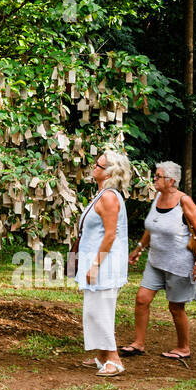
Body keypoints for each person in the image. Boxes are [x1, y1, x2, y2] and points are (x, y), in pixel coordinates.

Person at [120, 161, 196, 362]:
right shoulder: (157, 198)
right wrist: (139, 249)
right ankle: (138, 343)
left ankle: (183, 347)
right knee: (142, 299)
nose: (154, 179)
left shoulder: (184, 201)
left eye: (158, 176)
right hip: (155, 261)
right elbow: (151, 227)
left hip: (179, 263)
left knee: (176, 308)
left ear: (171, 181)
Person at [75, 148, 131, 376]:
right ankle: (101, 354)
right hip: (96, 260)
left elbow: (110, 235)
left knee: (101, 312)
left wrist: (96, 265)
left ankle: (114, 359)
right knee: (93, 310)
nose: (94, 167)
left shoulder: (108, 197)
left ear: (109, 173)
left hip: (104, 265)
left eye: (99, 165)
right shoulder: (102, 194)